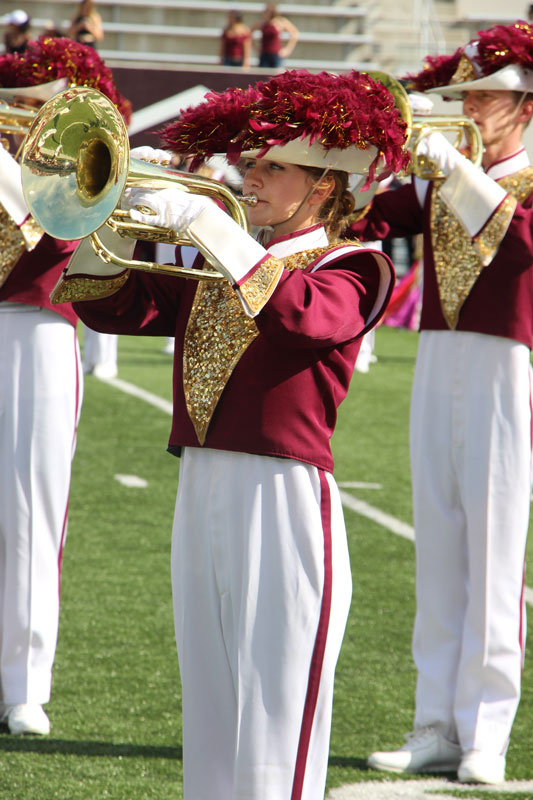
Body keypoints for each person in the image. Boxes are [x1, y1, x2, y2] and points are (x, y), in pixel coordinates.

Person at [49, 69, 408, 798]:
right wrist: (103, 220)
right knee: (210, 695)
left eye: (274, 167)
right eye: (252, 164)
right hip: (201, 480)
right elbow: (114, 306)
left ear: (325, 186)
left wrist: (204, 222)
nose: (252, 177)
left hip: (284, 491)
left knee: (277, 701)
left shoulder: (353, 265)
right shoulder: (227, 260)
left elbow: (300, 316)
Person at [349, 20, 533, 785]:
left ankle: (485, 732)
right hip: (437, 356)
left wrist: (452, 171)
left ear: (524, 106)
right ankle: (434, 723)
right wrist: (351, 161)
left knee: (494, 549)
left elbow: (519, 246)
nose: (470, 106)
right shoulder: (443, 174)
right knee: (439, 544)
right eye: (467, 94)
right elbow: (364, 216)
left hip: (506, 365)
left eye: (485, 95)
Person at [0, 35, 130, 736]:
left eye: (36, 104)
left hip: (36, 330)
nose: (23, 117)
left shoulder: (77, 156)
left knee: (29, 509)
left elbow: (57, 241)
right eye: (17, 104)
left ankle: (23, 685)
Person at [252, 2, 299, 68]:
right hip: (264, 54)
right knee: (263, 73)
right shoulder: (262, 23)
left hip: (276, 54)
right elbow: (249, 33)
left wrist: (287, 49)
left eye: (267, 11)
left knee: (277, 73)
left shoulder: (280, 21)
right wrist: (255, 48)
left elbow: (294, 33)